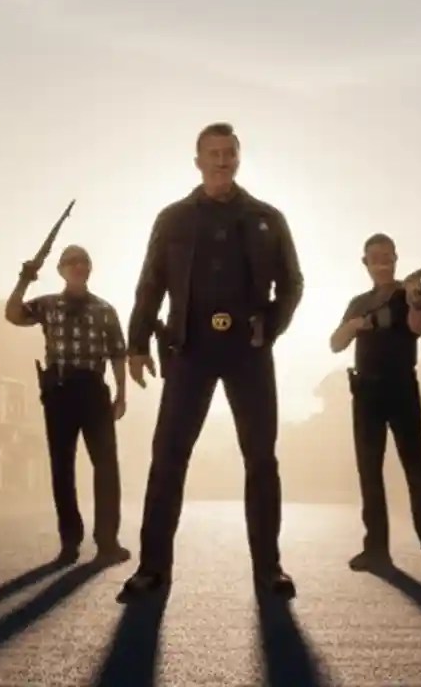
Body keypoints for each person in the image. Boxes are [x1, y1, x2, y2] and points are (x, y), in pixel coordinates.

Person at [121, 121, 303, 600]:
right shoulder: (174, 219)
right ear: (198, 160)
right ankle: (152, 569)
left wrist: (272, 325)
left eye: (230, 153)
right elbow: (150, 283)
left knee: (261, 459)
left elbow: (293, 281)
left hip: (249, 351)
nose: (222, 161)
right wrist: (137, 343)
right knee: (168, 457)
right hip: (189, 350)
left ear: (238, 159)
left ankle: (270, 568)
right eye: (214, 154)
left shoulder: (267, 217)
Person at [4, 244, 131, 565]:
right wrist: (24, 279)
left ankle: (107, 540)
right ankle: (69, 541)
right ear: (61, 270)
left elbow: (117, 352)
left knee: (105, 466)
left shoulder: (104, 309)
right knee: (62, 467)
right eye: (71, 263)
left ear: (89, 269)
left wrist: (121, 393)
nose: (78, 267)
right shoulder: (48, 305)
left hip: (93, 388)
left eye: (83, 262)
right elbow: (13, 315)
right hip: (59, 389)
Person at [330, 233, 421, 573]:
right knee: (369, 471)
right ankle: (376, 549)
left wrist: (415, 297)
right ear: (365, 263)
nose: (382, 262)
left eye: (387, 256)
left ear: (396, 258)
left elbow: (418, 326)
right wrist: (356, 325)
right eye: (375, 257)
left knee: (415, 467)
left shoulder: (409, 293)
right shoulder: (358, 302)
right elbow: (336, 343)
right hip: (365, 392)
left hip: (401, 388)